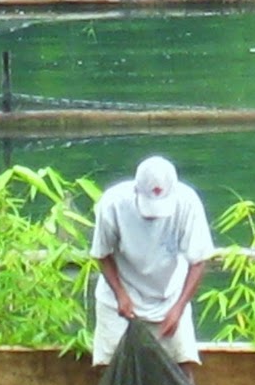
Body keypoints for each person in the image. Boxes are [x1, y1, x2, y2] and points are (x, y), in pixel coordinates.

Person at [89, 156, 214, 372]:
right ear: (136, 190)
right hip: (119, 296)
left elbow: (199, 261)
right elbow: (102, 253)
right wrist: (120, 294)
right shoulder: (112, 203)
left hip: (169, 296)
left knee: (182, 367)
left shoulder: (188, 203)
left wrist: (178, 308)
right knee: (111, 369)